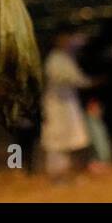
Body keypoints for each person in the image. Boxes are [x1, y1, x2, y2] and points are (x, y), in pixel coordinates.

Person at [40, 31, 94, 180]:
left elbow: (79, 42)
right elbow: (71, 78)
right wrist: (91, 82)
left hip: (67, 104)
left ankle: (66, 174)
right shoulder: (55, 59)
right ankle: (57, 176)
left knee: (68, 141)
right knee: (56, 140)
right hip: (56, 105)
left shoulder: (64, 57)